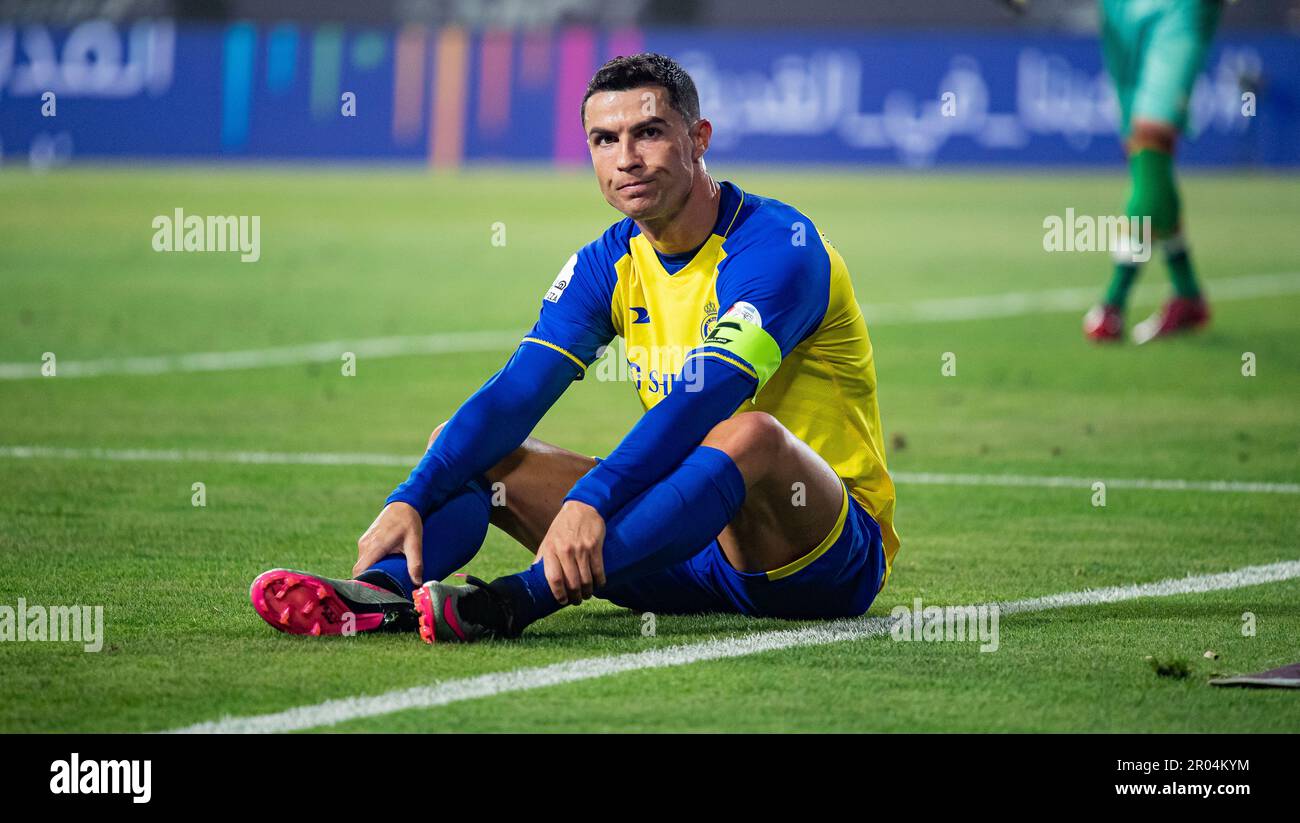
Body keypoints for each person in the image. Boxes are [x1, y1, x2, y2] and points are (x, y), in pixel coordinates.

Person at [250, 53, 900, 644]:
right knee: (468, 444)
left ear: (698, 140)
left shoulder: (780, 248)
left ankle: (514, 602)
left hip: (817, 555)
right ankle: (382, 594)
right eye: (604, 140)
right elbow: (515, 394)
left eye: (648, 133)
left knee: (747, 432)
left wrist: (592, 498)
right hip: (678, 549)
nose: (627, 158)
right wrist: (412, 494)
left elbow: (707, 395)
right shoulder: (608, 261)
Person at [1083, 0, 1223, 343]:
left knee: (1150, 136)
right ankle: (1188, 294)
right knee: (1143, 155)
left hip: (1179, 7)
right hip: (1120, 10)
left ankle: (1114, 302)